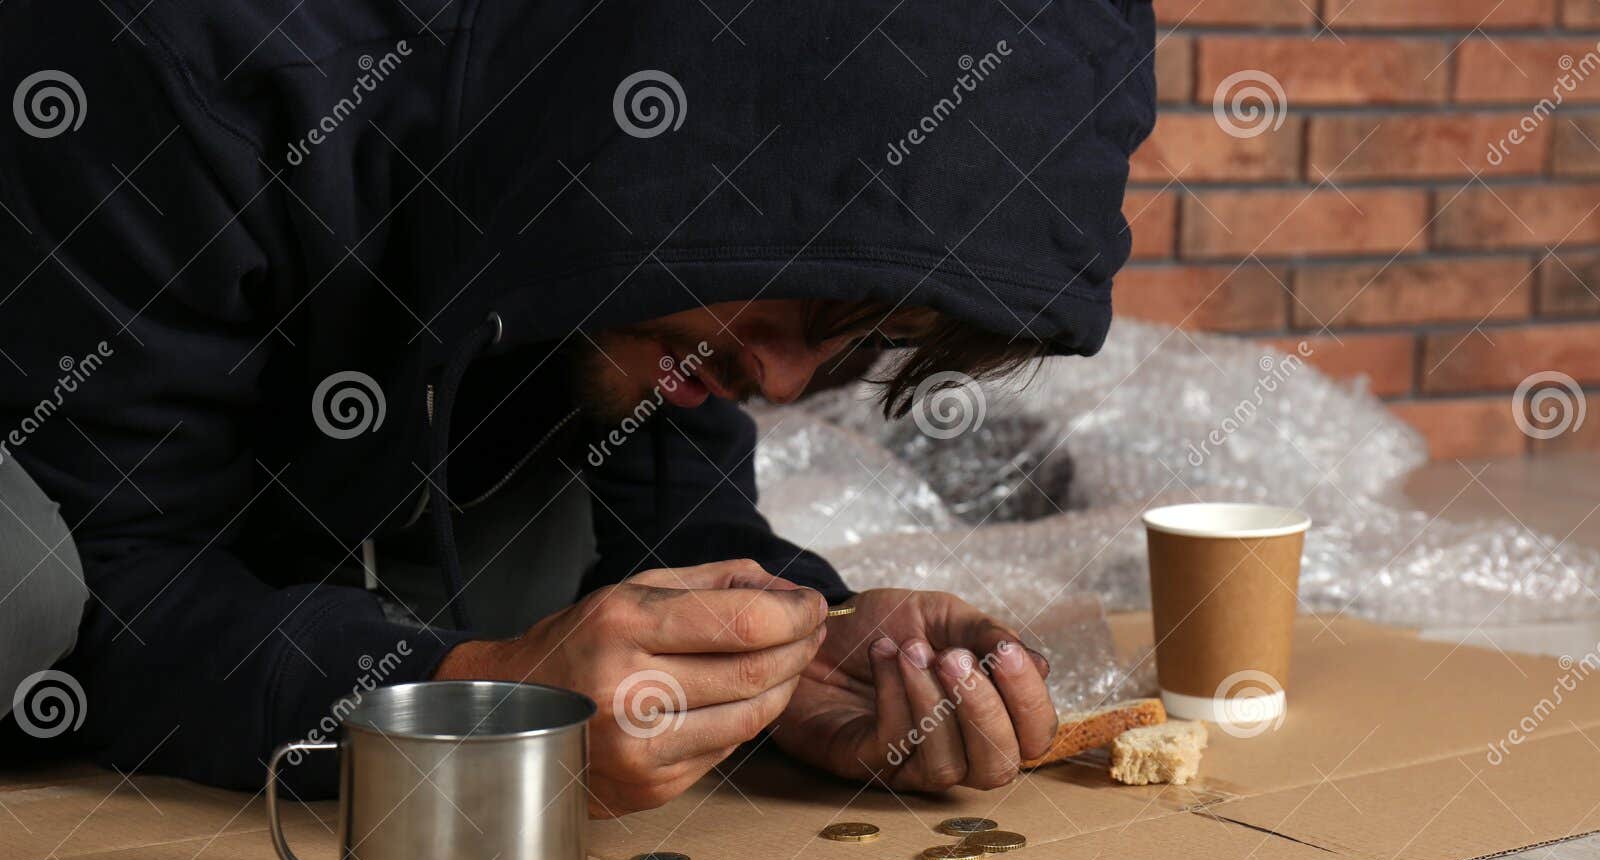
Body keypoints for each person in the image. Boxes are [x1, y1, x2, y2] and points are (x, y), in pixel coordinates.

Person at [0, 2, 1156, 815]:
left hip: (276, 460)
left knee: (567, 594)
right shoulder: (187, 49)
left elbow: (678, 517)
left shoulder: (647, 136)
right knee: (27, 599)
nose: (792, 380)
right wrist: (477, 707)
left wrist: (799, 651)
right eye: (807, 297)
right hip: (51, 461)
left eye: (862, 338)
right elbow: (123, 573)